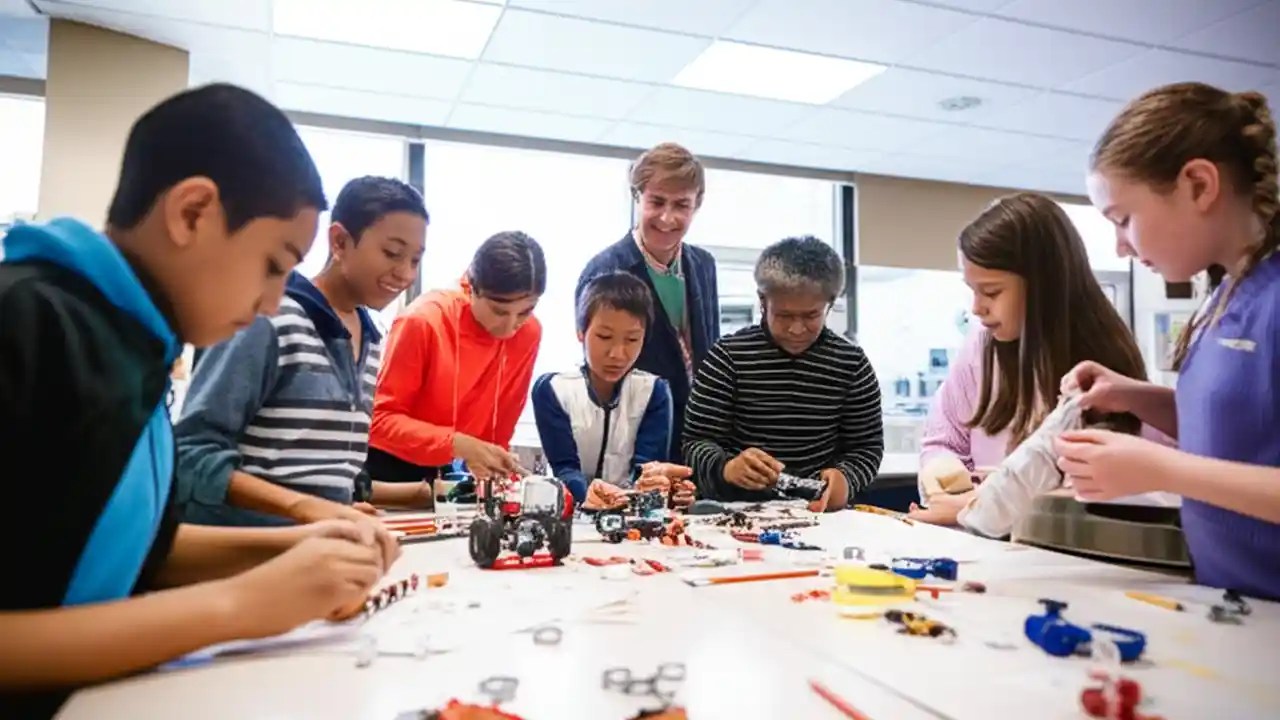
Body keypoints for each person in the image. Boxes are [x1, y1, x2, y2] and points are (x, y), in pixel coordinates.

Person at [0, 84, 384, 717]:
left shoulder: (135, 346)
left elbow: (132, 548)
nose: (271, 302)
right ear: (193, 212)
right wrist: (237, 607)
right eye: (272, 264)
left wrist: (303, 550)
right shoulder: (28, 323)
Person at [1055, 82, 1280, 600]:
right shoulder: (1223, 296)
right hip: (1232, 603)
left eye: (1124, 219)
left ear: (1199, 185)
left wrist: (1157, 468)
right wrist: (1131, 394)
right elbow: (1243, 430)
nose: (1119, 245)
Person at [174, 176, 428, 538]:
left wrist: (339, 502)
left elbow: (310, 467)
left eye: (416, 260)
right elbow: (191, 455)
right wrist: (306, 509)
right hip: (243, 553)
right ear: (339, 241)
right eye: (392, 253)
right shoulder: (269, 318)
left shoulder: (371, 338)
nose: (405, 273)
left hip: (317, 551)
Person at [906, 193, 1153, 527]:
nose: (977, 308)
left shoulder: (1103, 368)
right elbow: (943, 438)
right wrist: (943, 473)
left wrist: (975, 507)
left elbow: (1088, 493)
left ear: (1043, 286)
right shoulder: (981, 345)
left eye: (991, 292)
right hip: (983, 544)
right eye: (972, 290)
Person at [682, 236, 883, 511]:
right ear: (763, 301)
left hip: (819, 514)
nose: (797, 329)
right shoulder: (728, 357)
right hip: (735, 512)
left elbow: (866, 448)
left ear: (830, 303)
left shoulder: (852, 365)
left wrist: (845, 478)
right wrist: (726, 468)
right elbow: (695, 442)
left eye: (811, 316)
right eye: (784, 315)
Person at [576, 143, 719, 459]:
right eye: (657, 201)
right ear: (637, 196)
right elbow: (596, 366)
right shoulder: (605, 270)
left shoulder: (704, 265)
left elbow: (709, 353)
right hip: (635, 443)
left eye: (681, 204)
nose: (667, 218)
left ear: (697, 205)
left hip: (699, 441)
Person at [367, 231, 545, 484]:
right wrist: (459, 444)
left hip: (457, 475)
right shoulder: (423, 321)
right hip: (389, 471)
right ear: (471, 287)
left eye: (525, 311)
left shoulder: (528, 333)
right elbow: (379, 423)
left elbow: (500, 431)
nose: (510, 326)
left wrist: (497, 464)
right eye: (498, 311)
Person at [532, 271, 694, 507]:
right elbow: (564, 468)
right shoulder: (553, 390)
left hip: (630, 515)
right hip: (570, 514)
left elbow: (646, 468)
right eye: (604, 336)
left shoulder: (653, 392)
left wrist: (662, 487)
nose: (617, 354)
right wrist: (588, 493)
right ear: (581, 332)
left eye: (631, 340)